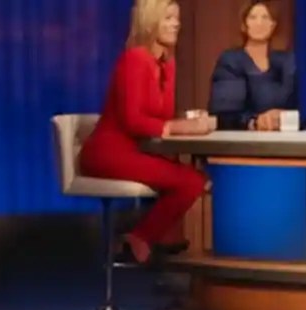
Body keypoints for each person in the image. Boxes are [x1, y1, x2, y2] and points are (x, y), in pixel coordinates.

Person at [79, 0, 214, 266]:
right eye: (168, 18)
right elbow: (132, 120)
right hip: (108, 153)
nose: (177, 24)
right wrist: (178, 127)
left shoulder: (167, 64)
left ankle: (145, 239)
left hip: (136, 151)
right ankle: (140, 238)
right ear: (150, 22)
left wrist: (189, 122)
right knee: (192, 181)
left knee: (193, 178)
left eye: (176, 18)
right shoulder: (134, 59)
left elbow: (158, 117)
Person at [208, 1, 298, 131]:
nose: (259, 23)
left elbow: (298, 107)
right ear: (244, 25)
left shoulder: (287, 61)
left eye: (265, 17)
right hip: (241, 141)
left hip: (283, 140)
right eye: (253, 17)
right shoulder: (230, 61)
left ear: (273, 25)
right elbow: (224, 115)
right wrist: (255, 122)